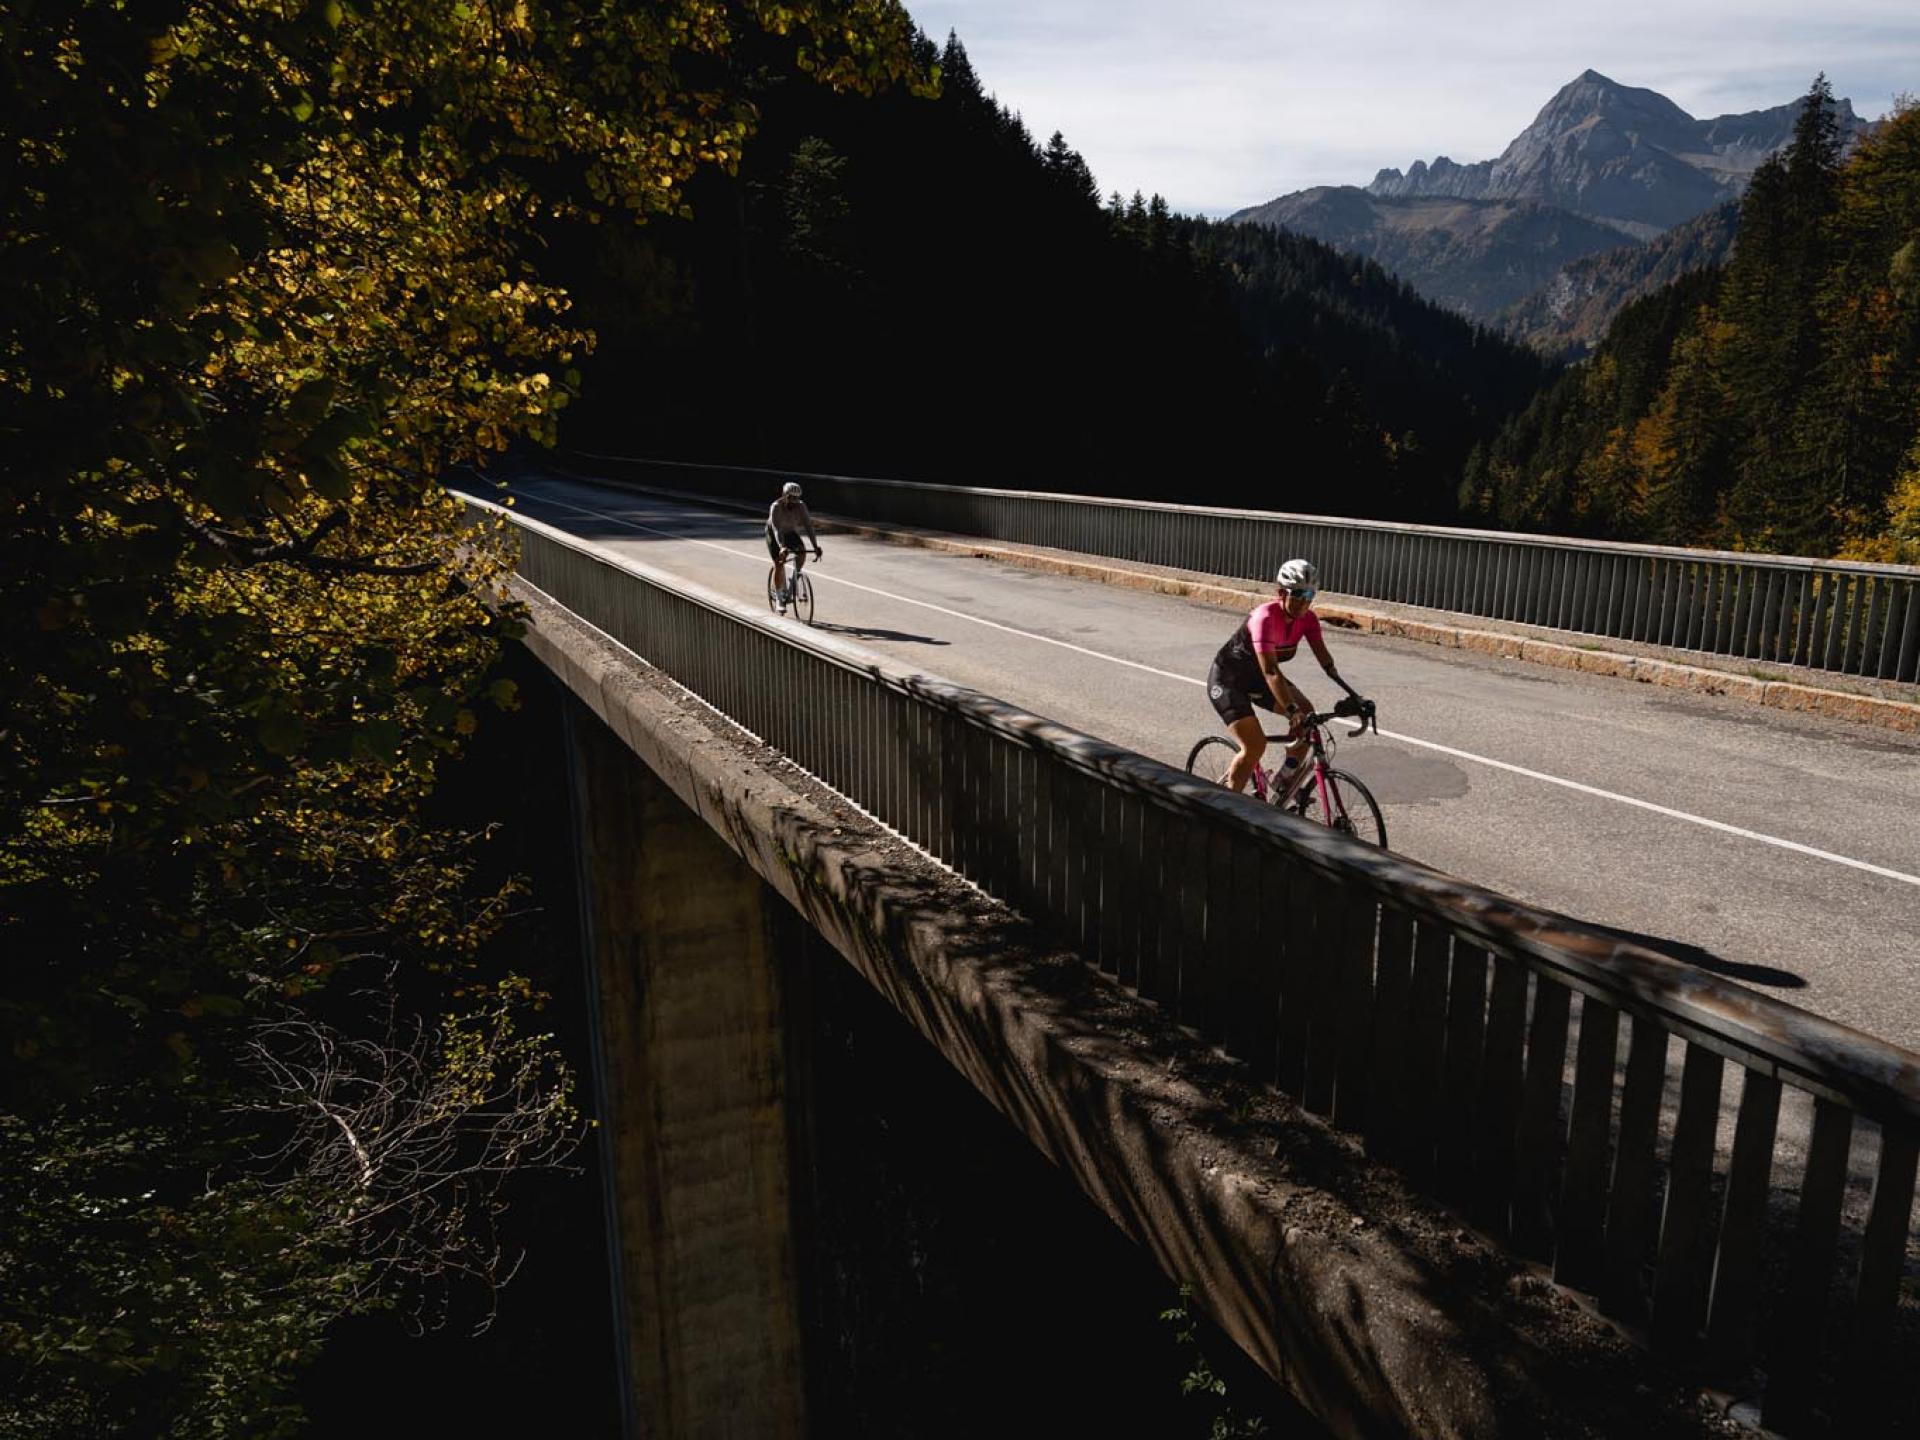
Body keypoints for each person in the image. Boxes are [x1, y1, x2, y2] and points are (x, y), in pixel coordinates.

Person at [1206, 558, 1360, 798]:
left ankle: (1283, 782)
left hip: (1260, 679)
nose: (1304, 601)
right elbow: (1271, 671)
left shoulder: (1308, 619)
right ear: (1281, 593)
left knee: (1309, 720)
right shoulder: (1264, 617)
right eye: (1298, 593)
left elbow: (1327, 664)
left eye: (1310, 594)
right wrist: (1291, 710)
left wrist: (1354, 695)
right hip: (1229, 680)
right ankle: (1227, 808)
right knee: (1255, 746)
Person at [765, 481, 821, 611]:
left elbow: (808, 527)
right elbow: (777, 530)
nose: (793, 502)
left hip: (790, 532)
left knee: (801, 552)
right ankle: (779, 598)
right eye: (791, 498)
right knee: (779, 563)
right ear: (784, 495)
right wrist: (782, 547)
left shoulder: (801, 507)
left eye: (796, 498)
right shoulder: (776, 507)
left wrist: (816, 546)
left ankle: (794, 578)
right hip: (774, 534)